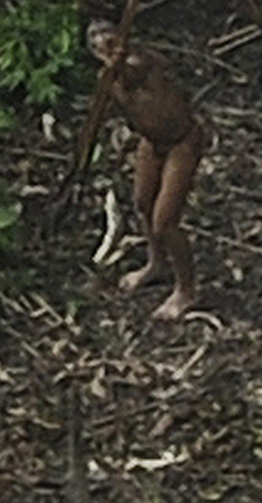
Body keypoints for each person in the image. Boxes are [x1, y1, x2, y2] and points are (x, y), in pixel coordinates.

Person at [86, 20, 205, 319]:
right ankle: (157, 263)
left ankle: (187, 290)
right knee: (142, 203)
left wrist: (121, 62)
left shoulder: (142, 60)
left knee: (164, 221)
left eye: (113, 42)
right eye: (102, 48)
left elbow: (134, 73)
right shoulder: (107, 78)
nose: (110, 50)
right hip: (151, 143)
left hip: (182, 141)